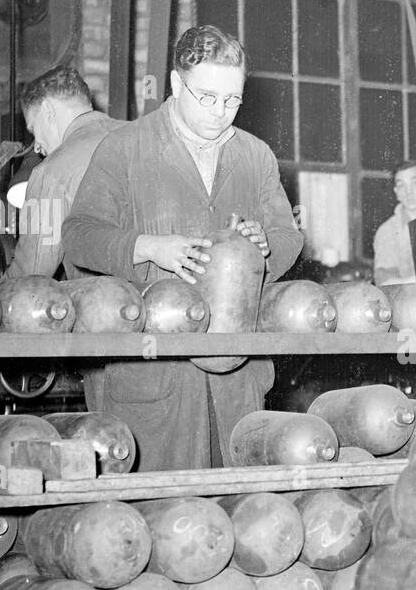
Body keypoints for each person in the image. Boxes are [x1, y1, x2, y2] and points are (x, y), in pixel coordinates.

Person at [61, 25, 303, 472]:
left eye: (232, 100)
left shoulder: (255, 156)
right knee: (161, 516)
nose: (219, 112)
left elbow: (289, 236)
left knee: (247, 515)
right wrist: (146, 246)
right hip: (153, 381)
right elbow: (78, 236)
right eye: (206, 97)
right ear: (175, 83)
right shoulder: (125, 148)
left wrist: (265, 246)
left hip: (237, 381)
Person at [7, 65, 121, 280]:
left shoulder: (52, 171)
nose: (38, 147)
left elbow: (30, 277)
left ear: (48, 110)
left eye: (34, 129)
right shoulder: (142, 138)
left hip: (103, 308)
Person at [372, 161, 416, 286]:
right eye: (402, 185)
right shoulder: (387, 231)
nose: (409, 192)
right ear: (396, 191)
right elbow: (384, 282)